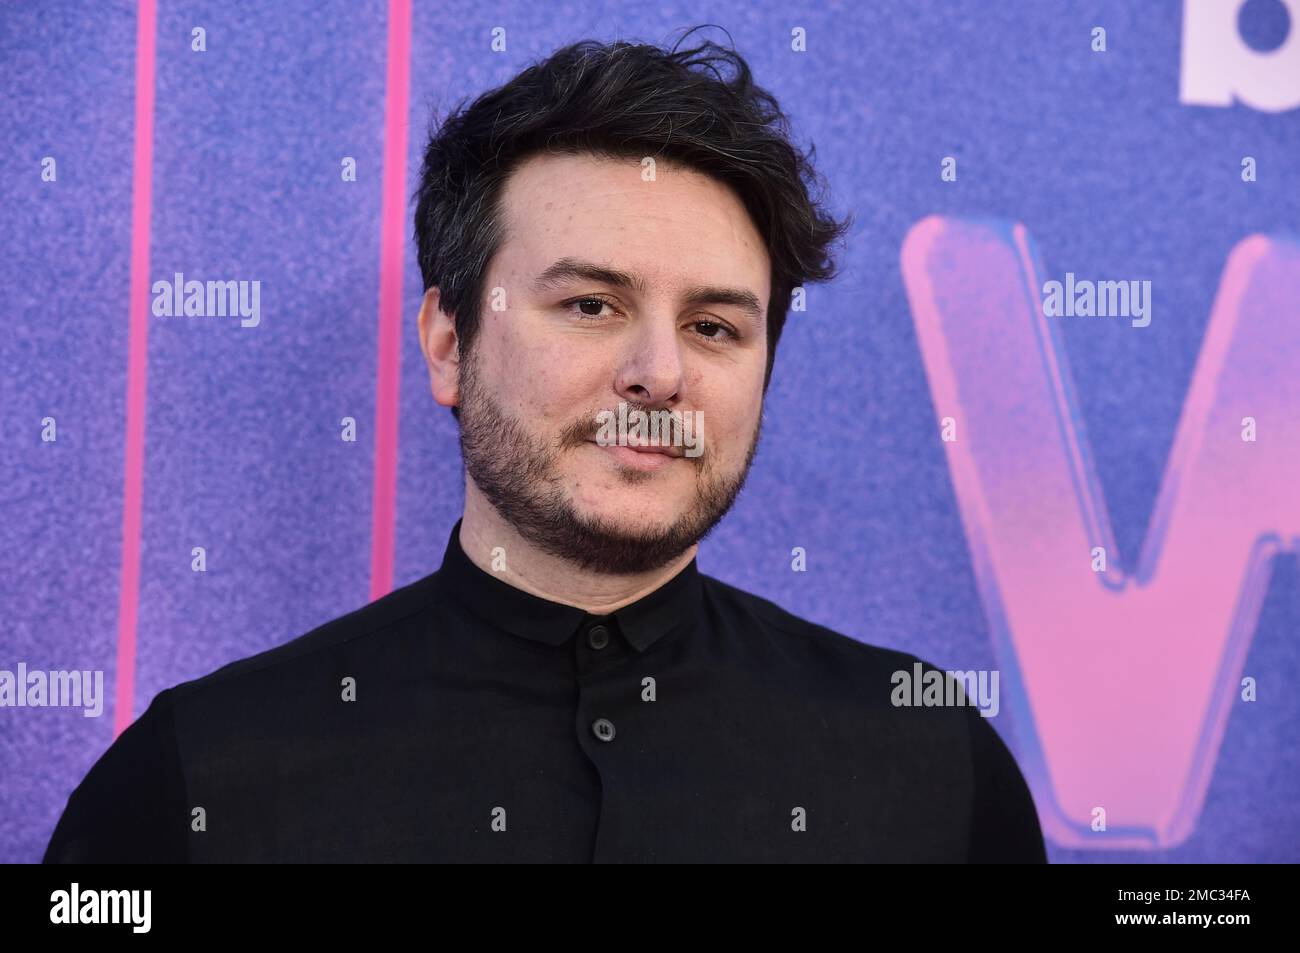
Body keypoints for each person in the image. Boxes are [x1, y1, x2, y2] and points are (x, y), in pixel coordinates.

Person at [44, 30, 1045, 863]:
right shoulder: (196, 780)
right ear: (447, 341)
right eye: (590, 303)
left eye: (713, 326)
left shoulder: (931, 767)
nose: (660, 371)